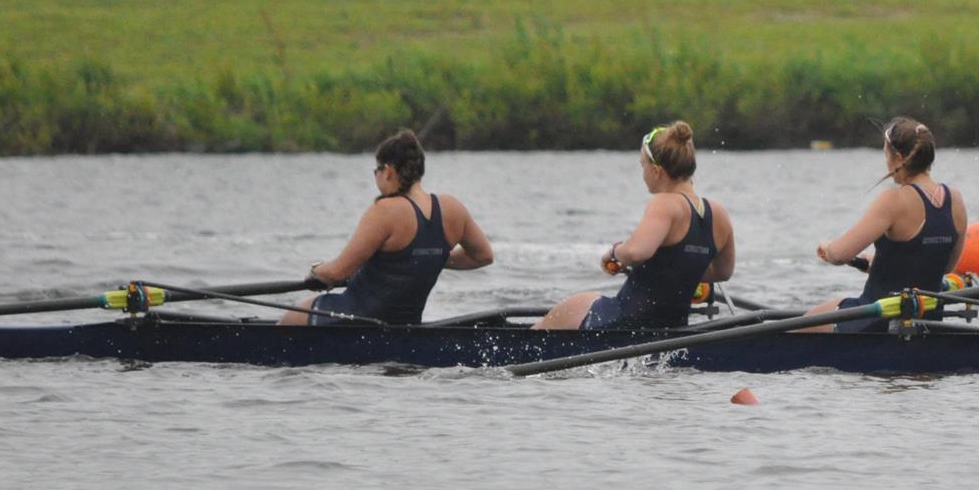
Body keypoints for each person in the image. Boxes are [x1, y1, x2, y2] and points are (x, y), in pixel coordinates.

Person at [538, 121, 736, 331]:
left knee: (558, 316)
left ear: (657, 171)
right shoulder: (719, 213)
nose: (643, 173)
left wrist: (613, 253)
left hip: (623, 325)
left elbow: (636, 252)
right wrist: (677, 271)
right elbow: (723, 272)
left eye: (643, 165)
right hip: (674, 328)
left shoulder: (665, 202)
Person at [283, 129, 492, 326]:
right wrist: (430, 257)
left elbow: (338, 272)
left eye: (376, 171)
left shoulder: (386, 210)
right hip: (405, 325)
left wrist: (316, 271)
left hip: (356, 319)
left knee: (292, 316)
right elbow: (483, 256)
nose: (376, 177)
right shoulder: (452, 208)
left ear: (388, 171)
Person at [802, 117, 968, 334]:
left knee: (798, 328)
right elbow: (944, 266)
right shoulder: (955, 200)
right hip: (929, 322)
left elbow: (840, 254)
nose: (886, 162)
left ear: (898, 158)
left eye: (886, 155)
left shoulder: (893, 200)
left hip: (875, 320)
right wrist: (866, 262)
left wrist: (827, 248)